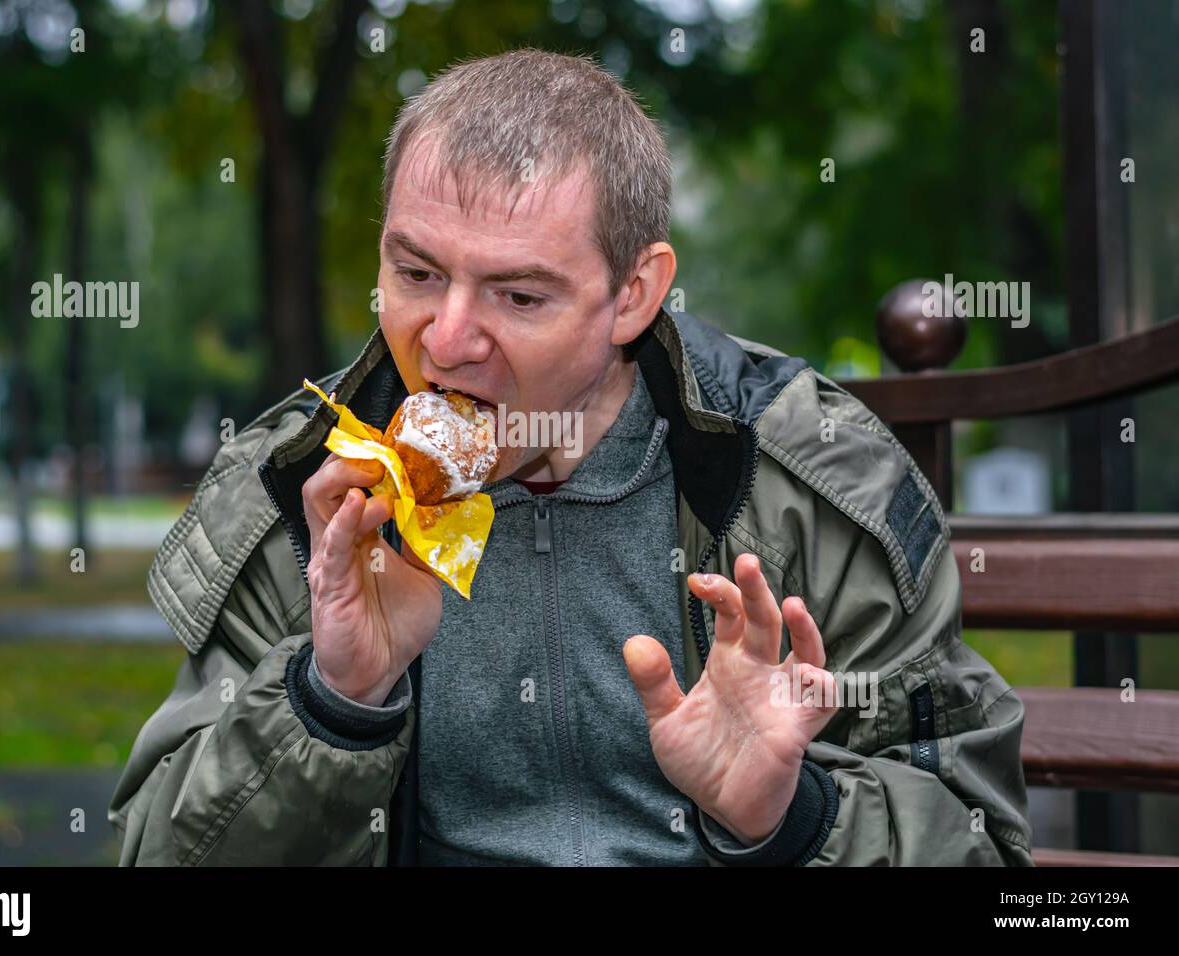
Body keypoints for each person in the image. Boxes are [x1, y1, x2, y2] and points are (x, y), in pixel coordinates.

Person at [109, 48, 1032, 866]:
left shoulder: (804, 483)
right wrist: (334, 700)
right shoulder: (308, 495)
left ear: (633, 295)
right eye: (417, 274)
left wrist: (791, 819)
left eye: (517, 295)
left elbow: (985, 855)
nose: (448, 338)